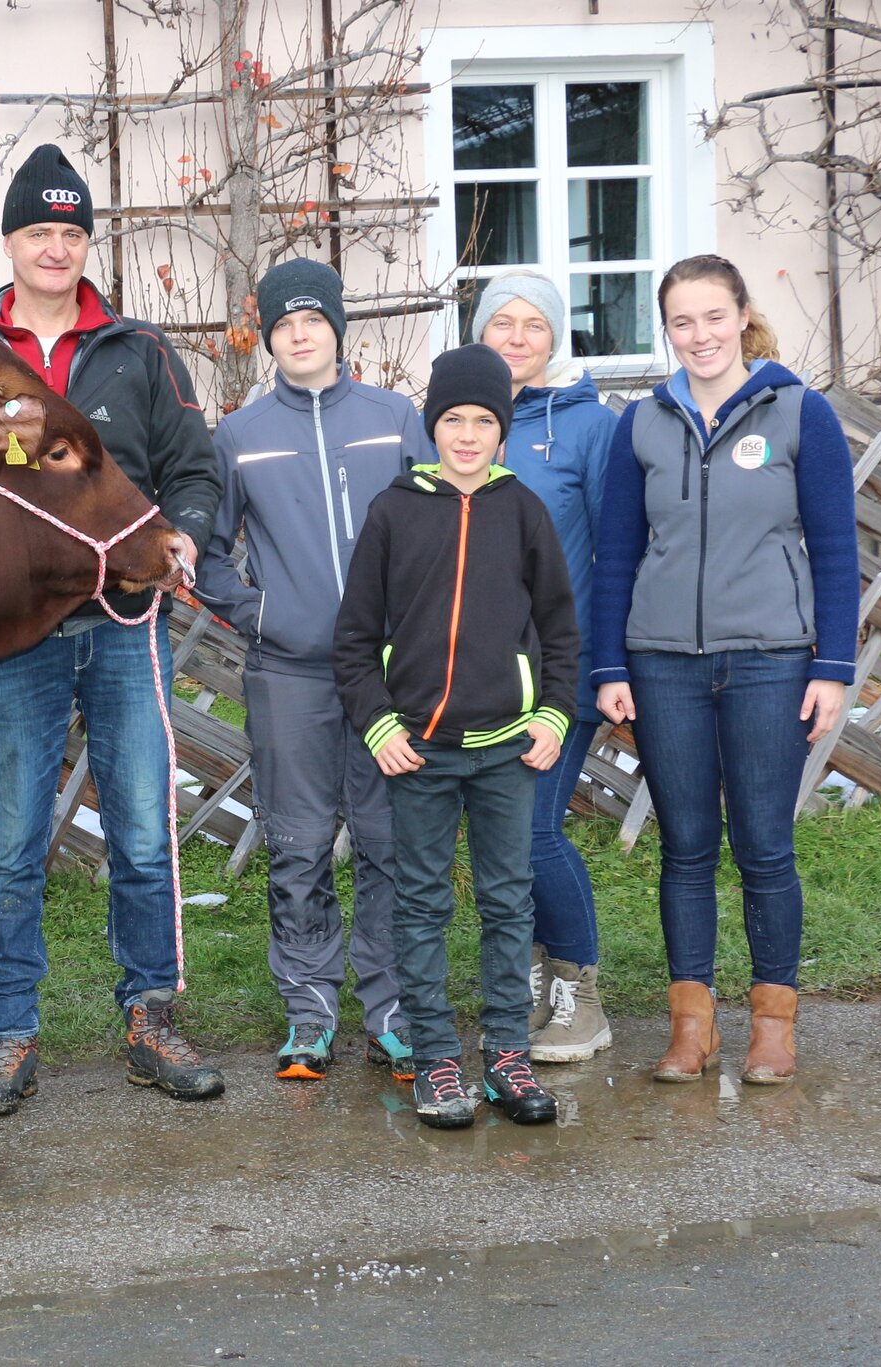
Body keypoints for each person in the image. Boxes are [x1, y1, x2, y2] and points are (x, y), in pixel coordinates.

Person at [0, 144, 226, 1114]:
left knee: (140, 832)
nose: (54, 247)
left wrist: (184, 533)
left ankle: (151, 1018)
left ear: (85, 243)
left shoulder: (137, 352)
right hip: (13, 641)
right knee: (10, 840)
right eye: (37, 230)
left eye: (69, 231)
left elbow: (195, 468)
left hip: (123, 625)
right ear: (9, 240)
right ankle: (9, 1033)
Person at [591, 254, 858, 1087]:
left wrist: (834, 665)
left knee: (766, 846)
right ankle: (691, 1026)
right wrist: (609, 663)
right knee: (687, 848)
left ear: (741, 315)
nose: (699, 335)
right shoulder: (641, 422)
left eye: (714, 316)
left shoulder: (798, 412)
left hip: (773, 661)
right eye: (682, 321)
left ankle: (772, 1025)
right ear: (665, 330)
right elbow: (614, 557)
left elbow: (838, 546)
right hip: (662, 664)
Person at [196, 257, 430, 1081]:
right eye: (284, 325)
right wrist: (263, 612)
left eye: (313, 321)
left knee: (387, 840)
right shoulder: (241, 435)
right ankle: (309, 1009)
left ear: (337, 328)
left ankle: (394, 1007)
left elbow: (439, 529)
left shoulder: (396, 418)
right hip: (288, 672)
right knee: (297, 844)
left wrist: (420, 626)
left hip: (391, 676)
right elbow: (208, 552)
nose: (300, 335)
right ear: (268, 338)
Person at [333, 344, 578, 1129]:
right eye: (452, 419)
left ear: (502, 429)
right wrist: (377, 723)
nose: (467, 435)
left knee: (509, 901)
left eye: (483, 421)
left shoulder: (523, 510)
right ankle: (437, 1057)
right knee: (421, 903)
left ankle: (507, 1053)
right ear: (432, 424)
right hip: (420, 751)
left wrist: (551, 716)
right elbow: (353, 639)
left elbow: (563, 633)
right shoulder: (394, 510)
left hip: (508, 747)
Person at [472, 271, 619, 1062]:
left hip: (560, 673)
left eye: (535, 324)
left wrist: (603, 669)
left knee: (531, 834)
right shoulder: (466, 421)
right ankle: (529, 983)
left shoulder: (590, 427)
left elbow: (615, 551)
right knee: (500, 838)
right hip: (480, 677)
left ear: (556, 336)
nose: (519, 337)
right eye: (503, 323)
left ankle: (579, 994)